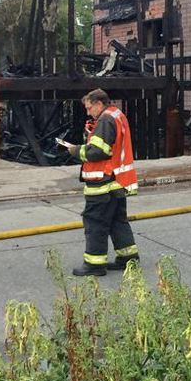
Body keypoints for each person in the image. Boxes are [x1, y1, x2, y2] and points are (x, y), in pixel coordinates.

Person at [65, 89, 140, 276]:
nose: (88, 112)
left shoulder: (105, 120)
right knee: (117, 221)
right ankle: (128, 259)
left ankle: (94, 264)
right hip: (117, 181)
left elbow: (98, 151)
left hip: (103, 183)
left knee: (95, 223)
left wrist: (76, 150)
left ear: (99, 103)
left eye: (90, 108)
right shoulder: (117, 115)